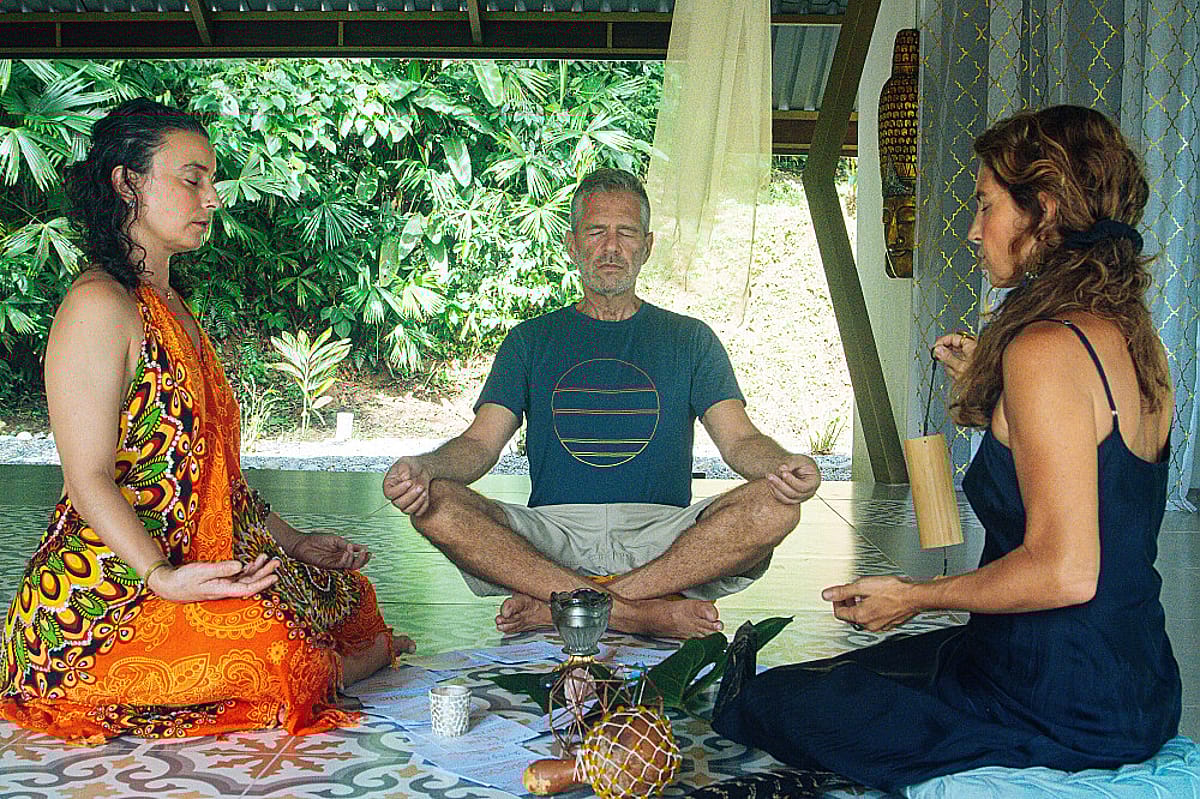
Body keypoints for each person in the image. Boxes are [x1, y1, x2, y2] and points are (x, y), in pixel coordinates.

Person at [711, 105, 1181, 792]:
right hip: (1135, 683)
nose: (972, 228)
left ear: (1043, 211)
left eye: (986, 205)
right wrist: (995, 400)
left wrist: (916, 595)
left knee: (768, 703)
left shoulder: (1045, 350)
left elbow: (1066, 571)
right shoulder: (1135, 337)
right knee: (839, 675)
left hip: (1054, 701)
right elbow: (1096, 473)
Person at [0, 99, 413, 744]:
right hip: (108, 597)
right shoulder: (97, 305)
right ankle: (338, 669)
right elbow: (87, 482)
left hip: (204, 561)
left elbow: (216, 478)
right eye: (192, 179)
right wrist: (164, 577)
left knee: (348, 595)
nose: (212, 197)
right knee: (274, 652)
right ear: (127, 182)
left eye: (211, 180)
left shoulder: (173, 308)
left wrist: (297, 541)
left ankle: (338, 664)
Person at [383, 168, 820, 640]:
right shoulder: (530, 340)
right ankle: (639, 611)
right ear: (573, 244)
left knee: (777, 508)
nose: (611, 247)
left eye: (626, 233)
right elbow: (479, 445)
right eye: (596, 232)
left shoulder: (690, 339)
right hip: (553, 533)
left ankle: (566, 604)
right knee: (436, 505)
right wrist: (426, 469)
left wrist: (783, 466)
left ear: (647, 247)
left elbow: (741, 440)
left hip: (664, 536)